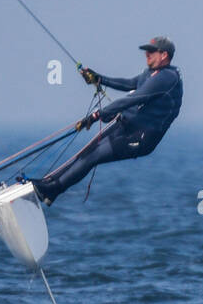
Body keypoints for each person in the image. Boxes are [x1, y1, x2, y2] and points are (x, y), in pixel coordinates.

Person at [31, 37, 183, 205]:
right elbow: (130, 83)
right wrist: (99, 78)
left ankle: (53, 188)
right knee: (87, 152)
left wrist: (97, 115)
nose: (147, 55)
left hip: (141, 137)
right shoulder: (150, 73)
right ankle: (49, 186)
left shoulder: (168, 78)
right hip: (127, 126)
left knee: (94, 155)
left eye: (151, 52)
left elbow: (133, 99)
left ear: (164, 55)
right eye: (146, 51)